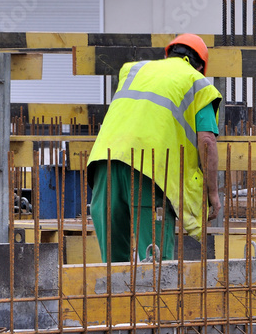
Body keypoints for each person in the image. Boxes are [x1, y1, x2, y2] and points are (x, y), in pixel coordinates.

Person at [86, 33, 222, 262]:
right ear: (201, 66)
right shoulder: (197, 83)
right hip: (148, 171)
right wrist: (213, 193)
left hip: (104, 163)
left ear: (168, 55)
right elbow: (207, 140)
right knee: (156, 266)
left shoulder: (135, 70)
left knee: (112, 267)